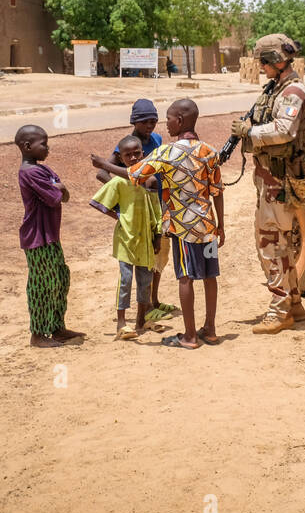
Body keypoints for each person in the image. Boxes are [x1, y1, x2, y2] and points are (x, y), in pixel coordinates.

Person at [92, 99, 224, 350]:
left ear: (181, 120)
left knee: (185, 278)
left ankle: (190, 336)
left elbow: (135, 173)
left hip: (183, 227)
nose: (166, 123)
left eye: (169, 118)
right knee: (210, 276)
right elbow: (218, 192)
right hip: (208, 225)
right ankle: (211, 329)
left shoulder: (168, 152)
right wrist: (222, 226)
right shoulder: (210, 151)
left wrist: (104, 165)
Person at [229, 33, 305, 334]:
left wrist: (250, 132)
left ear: (276, 61)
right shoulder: (276, 88)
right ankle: (294, 302)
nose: (262, 68)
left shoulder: (293, 92)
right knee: (281, 242)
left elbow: (284, 130)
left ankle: (279, 311)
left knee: (270, 241)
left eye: (264, 62)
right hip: (271, 177)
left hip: (279, 179)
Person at [96, 99, 173, 315]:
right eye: (145, 122)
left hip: (158, 205)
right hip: (139, 211)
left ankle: (154, 301)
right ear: (134, 121)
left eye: (153, 121)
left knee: (160, 256)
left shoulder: (157, 139)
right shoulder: (128, 146)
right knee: (141, 261)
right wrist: (126, 197)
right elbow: (103, 172)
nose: (150, 126)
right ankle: (145, 308)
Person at [90, 135, 168, 340]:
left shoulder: (150, 181)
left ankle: (141, 320)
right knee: (125, 280)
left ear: (143, 154)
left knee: (145, 281)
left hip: (147, 241)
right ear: (121, 158)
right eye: (128, 155)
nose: (133, 158)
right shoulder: (117, 182)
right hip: (126, 239)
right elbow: (99, 203)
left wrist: (158, 234)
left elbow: (157, 210)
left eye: (137, 153)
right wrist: (120, 216)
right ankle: (122, 322)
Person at [15, 124, 83, 348]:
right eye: (43, 144)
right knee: (42, 284)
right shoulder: (30, 172)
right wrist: (60, 187)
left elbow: (64, 194)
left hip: (50, 236)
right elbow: (57, 195)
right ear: (27, 146)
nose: (48, 148)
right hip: (37, 237)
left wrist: (60, 188)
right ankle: (38, 333)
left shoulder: (42, 170)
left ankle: (56, 327)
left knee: (59, 279)